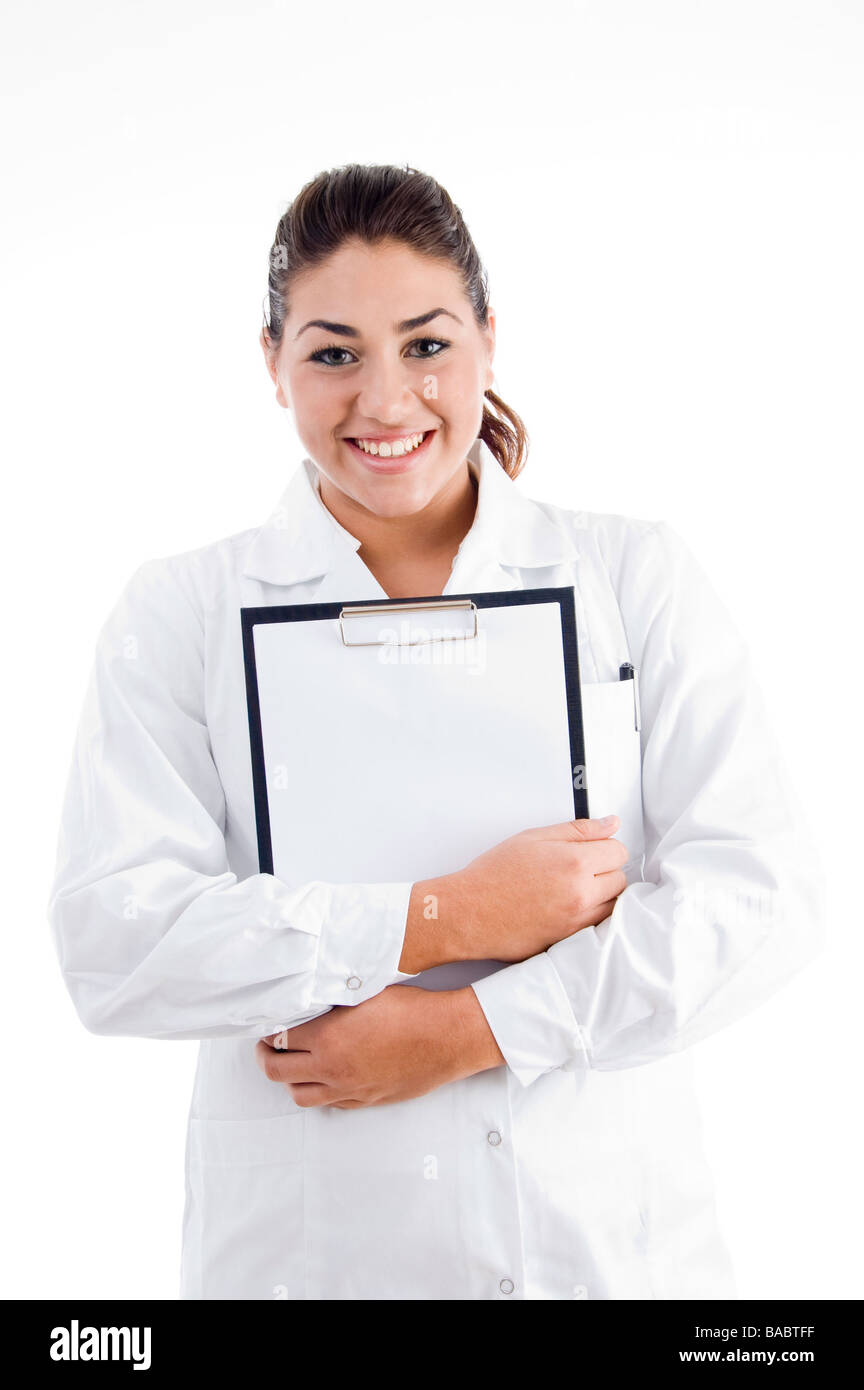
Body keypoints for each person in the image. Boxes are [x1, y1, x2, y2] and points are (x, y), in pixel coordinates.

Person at [47, 163, 825, 1301]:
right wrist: (439, 917)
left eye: (425, 345)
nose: (386, 400)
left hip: (601, 1245)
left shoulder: (631, 575)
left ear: (489, 342)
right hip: (315, 1254)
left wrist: (471, 1029)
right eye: (332, 352)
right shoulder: (182, 612)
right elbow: (116, 944)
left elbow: (758, 902)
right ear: (270, 362)